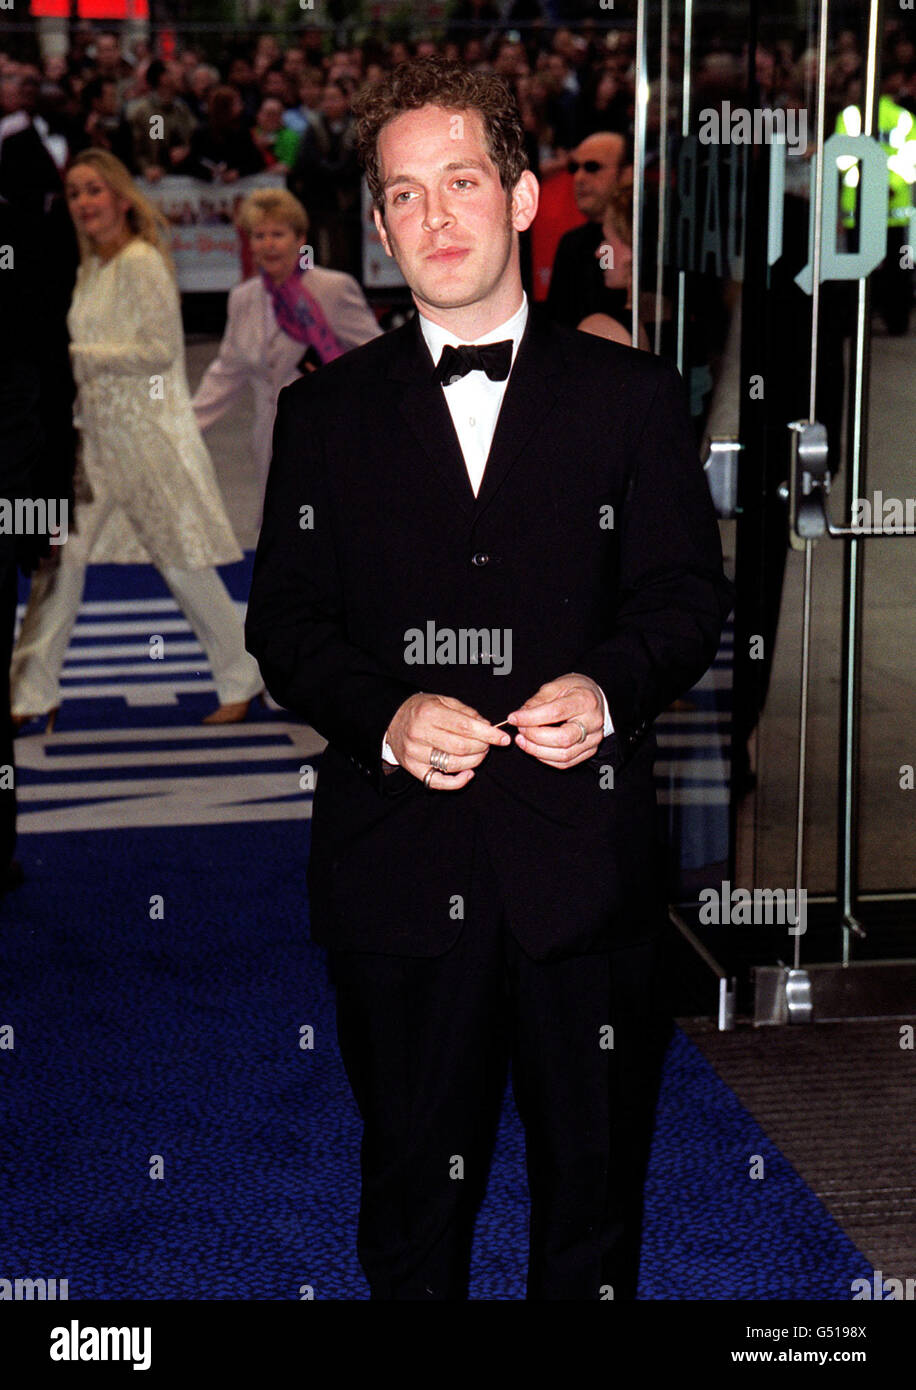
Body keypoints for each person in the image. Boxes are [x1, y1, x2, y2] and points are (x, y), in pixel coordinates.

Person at [245, 57, 733, 1300]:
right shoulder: (324, 418)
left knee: (593, 1208)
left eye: (462, 181)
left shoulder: (629, 400)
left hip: (586, 878)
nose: (437, 217)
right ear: (380, 221)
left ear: (522, 198)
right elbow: (288, 628)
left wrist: (612, 688)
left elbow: (686, 598)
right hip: (397, 874)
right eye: (405, 195)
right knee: (411, 1207)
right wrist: (387, 715)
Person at [10, 150, 263, 730]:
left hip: (149, 438)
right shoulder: (89, 268)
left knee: (181, 564)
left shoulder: (143, 261)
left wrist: (71, 358)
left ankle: (241, 677)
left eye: (94, 190)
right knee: (62, 563)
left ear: (122, 197)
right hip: (95, 442)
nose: (84, 204)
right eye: (74, 194)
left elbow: (159, 352)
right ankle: (29, 692)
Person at [192, 187, 381, 506]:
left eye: (277, 234)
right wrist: (186, 427)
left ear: (300, 238)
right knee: (282, 531)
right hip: (270, 441)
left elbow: (376, 356)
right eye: (259, 236)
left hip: (331, 435)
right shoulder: (243, 298)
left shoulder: (332, 289)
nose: (268, 245)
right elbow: (226, 372)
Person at [544, 129, 628, 328]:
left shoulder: (651, 239)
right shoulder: (571, 244)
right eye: (574, 168)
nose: (579, 178)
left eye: (592, 167)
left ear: (626, 173)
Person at [578, 185, 649, 349]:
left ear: (631, 246)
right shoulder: (682, 320)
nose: (599, 252)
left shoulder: (600, 330)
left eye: (607, 240)